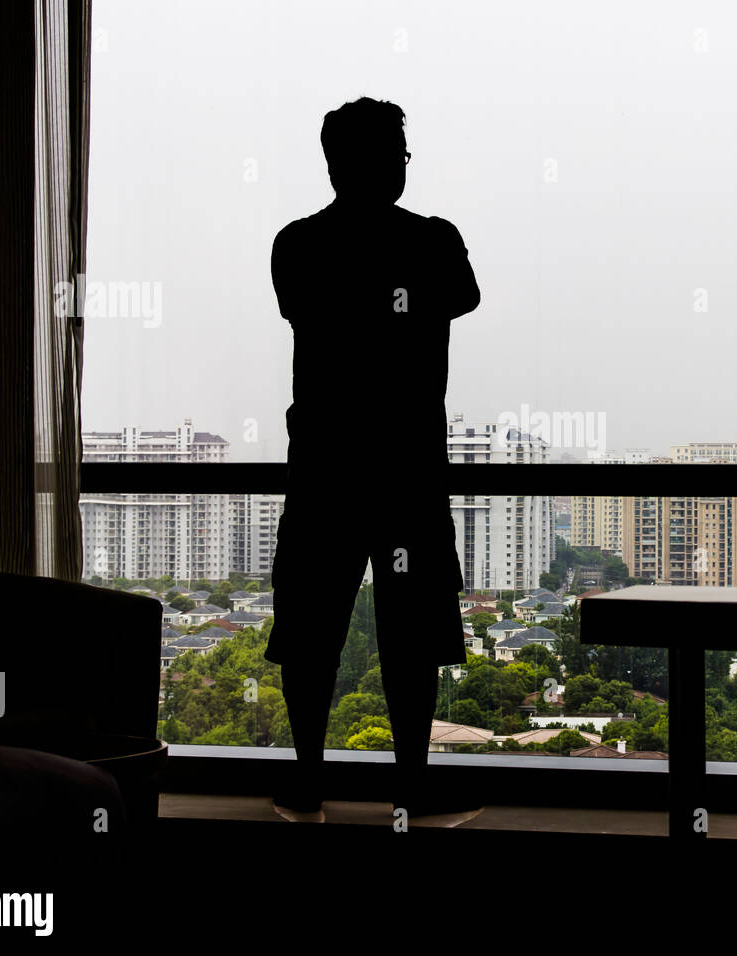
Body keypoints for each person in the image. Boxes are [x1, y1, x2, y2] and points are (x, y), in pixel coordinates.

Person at [266, 96, 481, 821]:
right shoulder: (431, 241)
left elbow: (313, 311)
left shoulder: (297, 244)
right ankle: (412, 780)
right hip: (407, 469)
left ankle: (307, 776)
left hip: (324, 466)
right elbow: (460, 298)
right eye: (394, 154)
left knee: (311, 627)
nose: (399, 167)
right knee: (409, 633)